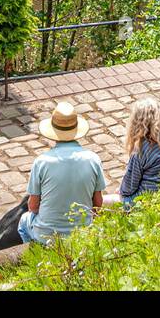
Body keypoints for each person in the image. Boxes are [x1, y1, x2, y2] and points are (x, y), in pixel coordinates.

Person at [18, 101, 106, 245]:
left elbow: (33, 207)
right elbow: (97, 204)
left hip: (46, 236)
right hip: (82, 234)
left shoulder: (41, 162)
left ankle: (34, 254)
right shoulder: (93, 160)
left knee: (23, 222)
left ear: (53, 132)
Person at [118, 97, 160, 205]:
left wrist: (120, 190)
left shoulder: (140, 150)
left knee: (109, 199)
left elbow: (128, 189)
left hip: (147, 201)